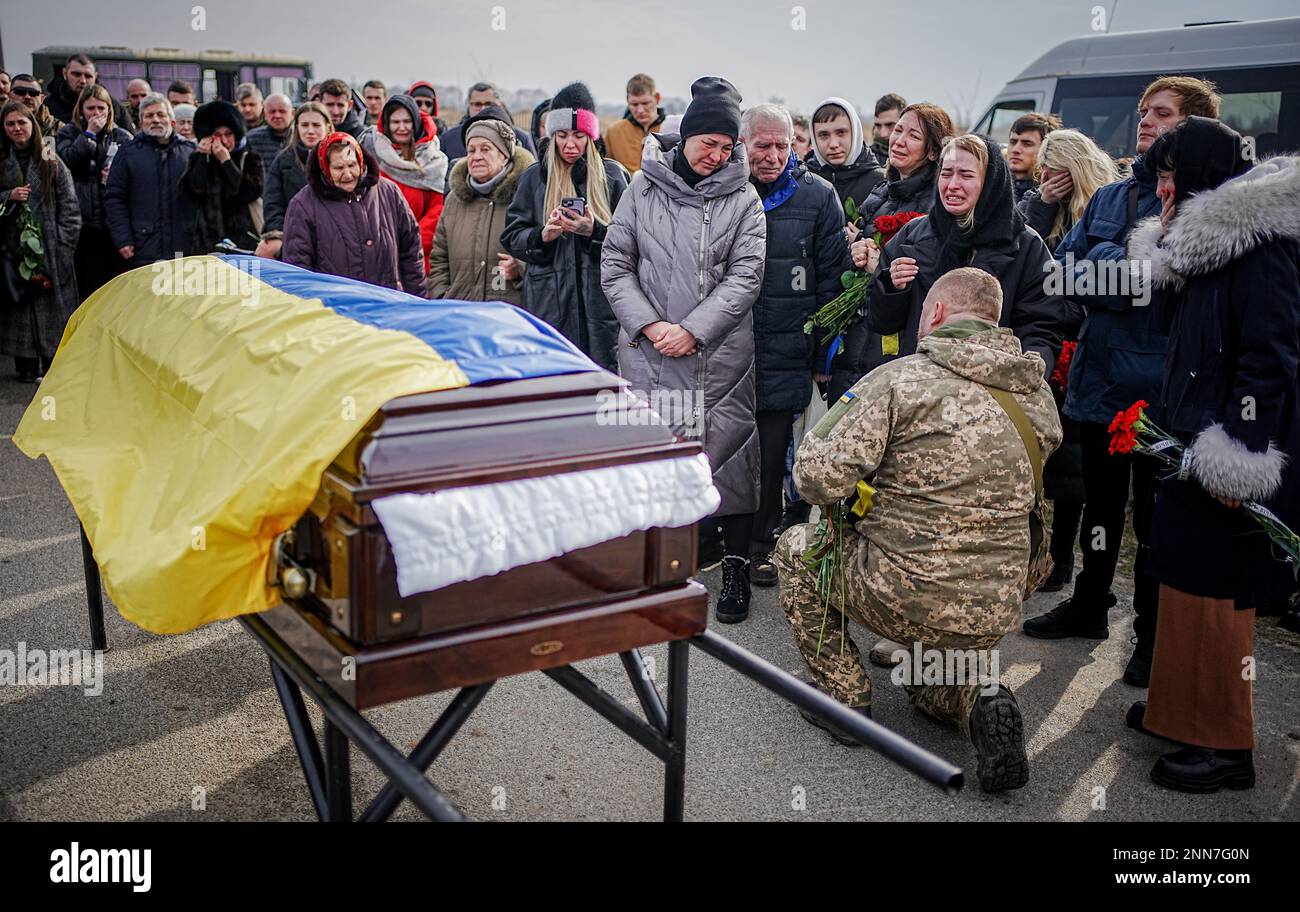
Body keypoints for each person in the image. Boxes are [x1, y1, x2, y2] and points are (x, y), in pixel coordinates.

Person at [774, 267, 1061, 792]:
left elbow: (815, 479)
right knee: (926, 678)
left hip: (903, 591)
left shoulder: (898, 379)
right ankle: (977, 698)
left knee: (795, 550)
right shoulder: (1036, 394)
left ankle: (844, 700)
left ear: (936, 314)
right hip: (994, 601)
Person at [1023, 76, 1221, 689]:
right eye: (1142, 112)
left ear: (1189, 125)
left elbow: (1170, 291)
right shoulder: (1110, 197)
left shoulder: (1203, 204)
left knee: (1154, 516)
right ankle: (1090, 606)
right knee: (1100, 506)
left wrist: (1112, 274)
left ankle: (1151, 635)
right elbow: (1062, 277)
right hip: (1099, 378)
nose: (1143, 122)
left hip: (1159, 391)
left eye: (1159, 114)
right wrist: (1126, 268)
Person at [1125, 117, 1298, 793]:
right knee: (1182, 579)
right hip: (1192, 436)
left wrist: (1241, 452)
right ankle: (1180, 712)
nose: (1160, 190)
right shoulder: (1209, 245)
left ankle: (1225, 744)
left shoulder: (1260, 248)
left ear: (1199, 176)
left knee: (1218, 592)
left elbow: (1271, 360)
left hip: (1229, 447)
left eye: (1168, 176)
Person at [602, 76, 766, 623]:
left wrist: (693, 329)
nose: (716, 156)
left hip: (718, 355)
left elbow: (746, 276)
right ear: (685, 137)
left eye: (726, 147)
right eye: (707, 144)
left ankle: (737, 566)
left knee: (732, 456)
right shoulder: (642, 188)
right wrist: (650, 326)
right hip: (650, 355)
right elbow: (615, 263)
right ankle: (666, 569)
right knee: (659, 460)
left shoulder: (744, 198)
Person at [740, 103, 851, 589]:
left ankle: (761, 546)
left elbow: (831, 283)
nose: (772, 155)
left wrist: (822, 355)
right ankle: (725, 545)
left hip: (788, 348)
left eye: (782, 145)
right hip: (730, 349)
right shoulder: (727, 191)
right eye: (762, 145)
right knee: (727, 453)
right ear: (743, 143)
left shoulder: (817, 196)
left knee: (770, 454)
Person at [865, 134, 1062, 379]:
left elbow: (1041, 328)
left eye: (966, 175)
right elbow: (881, 323)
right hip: (920, 387)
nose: (953, 184)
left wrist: (1024, 378)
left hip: (989, 390)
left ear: (991, 183)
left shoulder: (1026, 245)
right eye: (946, 174)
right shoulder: (912, 235)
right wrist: (892, 287)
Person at [1017, 129, 1118, 593]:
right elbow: (1024, 254)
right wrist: (1040, 202)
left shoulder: (1100, 208)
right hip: (1043, 341)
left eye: (1054, 172)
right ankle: (1035, 552)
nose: (1047, 180)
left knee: (1071, 467)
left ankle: (1062, 558)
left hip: (1077, 346)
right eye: (1043, 173)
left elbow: (1070, 283)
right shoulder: (1039, 206)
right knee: (1039, 459)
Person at [828, 102, 953, 403]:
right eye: (898, 130)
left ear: (933, 151)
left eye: (913, 136)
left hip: (896, 338)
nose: (898, 140)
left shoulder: (935, 203)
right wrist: (856, 246)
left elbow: (926, 272)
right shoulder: (883, 190)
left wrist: (879, 264)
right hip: (859, 327)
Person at [502, 81, 627, 370]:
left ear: (591, 137)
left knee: (602, 389)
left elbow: (632, 243)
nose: (570, 145)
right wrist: (541, 236)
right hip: (549, 302)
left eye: (579, 135)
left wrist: (593, 231)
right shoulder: (535, 178)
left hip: (600, 307)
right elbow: (512, 235)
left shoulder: (612, 176)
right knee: (553, 387)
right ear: (551, 135)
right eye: (562, 135)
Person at [282, 131, 425, 294]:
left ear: (361, 162)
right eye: (339, 168)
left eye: (352, 165)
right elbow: (297, 267)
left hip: (389, 304)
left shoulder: (388, 192)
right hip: (335, 309)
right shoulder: (303, 205)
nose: (348, 174)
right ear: (325, 169)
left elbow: (411, 250)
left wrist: (418, 298)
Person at [0, 102, 81, 382]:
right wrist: (7, 196)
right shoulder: (1, 159)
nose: (16, 129)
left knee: (52, 309)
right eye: (10, 124)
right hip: (14, 248)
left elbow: (69, 205)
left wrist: (63, 245)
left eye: (21, 123)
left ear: (32, 125)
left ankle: (51, 363)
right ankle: (25, 364)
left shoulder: (49, 156)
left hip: (51, 247)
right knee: (20, 308)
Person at [428, 108, 535, 305]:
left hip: (509, 315)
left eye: (485, 149)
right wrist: (442, 298)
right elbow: (439, 259)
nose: (476, 156)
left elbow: (545, 255)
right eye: (471, 150)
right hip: (459, 313)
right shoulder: (454, 199)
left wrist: (519, 267)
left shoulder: (526, 198)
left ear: (504, 156)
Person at [55, 85, 133, 299]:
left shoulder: (122, 135)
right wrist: (89, 135)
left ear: (109, 110)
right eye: (90, 108)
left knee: (114, 282)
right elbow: (66, 161)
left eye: (101, 107)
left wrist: (116, 177)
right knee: (87, 283)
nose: (96, 113)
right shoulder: (68, 132)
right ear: (81, 110)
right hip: (83, 219)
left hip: (112, 221)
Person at [104, 93, 197, 266]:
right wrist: (123, 238)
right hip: (142, 247)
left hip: (185, 247)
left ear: (172, 122)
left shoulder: (190, 153)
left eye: (161, 115)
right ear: (141, 123)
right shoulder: (127, 153)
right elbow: (115, 198)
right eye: (149, 115)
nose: (155, 120)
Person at [360, 94, 448, 271]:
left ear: (415, 122)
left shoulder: (434, 161)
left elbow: (436, 211)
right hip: (375, 251)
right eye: (395, 122)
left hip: (418, 255)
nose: (401, 127)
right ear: (386, 124)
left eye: (407, 121)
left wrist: (411, 243)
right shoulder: (370, 154)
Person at [180, 100, 264, 254]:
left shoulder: (250, 157)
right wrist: (201, 160)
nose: (224, 141)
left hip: (242, 242)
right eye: (217, 135)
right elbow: (191, 192)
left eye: (228, 134)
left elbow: (249, 192)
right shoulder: (198, 158)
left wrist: (226, 162)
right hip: (206, 243)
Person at [256, 101, 331, 259]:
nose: (310, 131)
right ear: (297, 127)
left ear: (327, 127)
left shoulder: (340, 159)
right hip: (293, 233)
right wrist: (284, 234)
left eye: (316, 125)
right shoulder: (284, 160)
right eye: (304, 125)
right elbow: (273, 203)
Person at [805, 97, 883, 216]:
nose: (833, 144)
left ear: (855, 133)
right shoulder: (804, 181)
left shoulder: (880, 183)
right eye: (824, 135)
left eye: (841, 133)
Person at [440, 82, 535, 160]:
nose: (483, 108)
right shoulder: (448, 139)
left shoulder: (519, 137)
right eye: (477, 104)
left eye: (489, 104)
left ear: (499, 105)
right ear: (468, 106)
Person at [44, 54, 132, 131]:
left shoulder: (113, 105)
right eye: (76, 74)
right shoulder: (48, 105)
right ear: (65, 74)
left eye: (88, 76)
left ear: (95, 77)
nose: (83, 80)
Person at [605, 73, 666, 175]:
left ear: (657, 98)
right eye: (634, 104)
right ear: (627, 100)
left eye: (645, 103)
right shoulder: (614, 132)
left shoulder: (671, 130)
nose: (640, 110)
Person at [1007, 112, 1061, 201]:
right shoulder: (995, 186)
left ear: (1046, 149)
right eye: (1013, 142)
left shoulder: (1053, 194)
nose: (1015, 150)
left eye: (1027, 144)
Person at [245, 93, 293, 168]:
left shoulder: (301, 138)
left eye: (282, 111)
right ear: (265, 114)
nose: (277, 116)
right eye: (272, 111)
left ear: (292, 113)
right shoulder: (251, 138)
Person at [869, 93, 905, 166]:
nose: (883, 134)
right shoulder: (866, 160)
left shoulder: (917, 159)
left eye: (890, 125)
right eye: (878, 126)